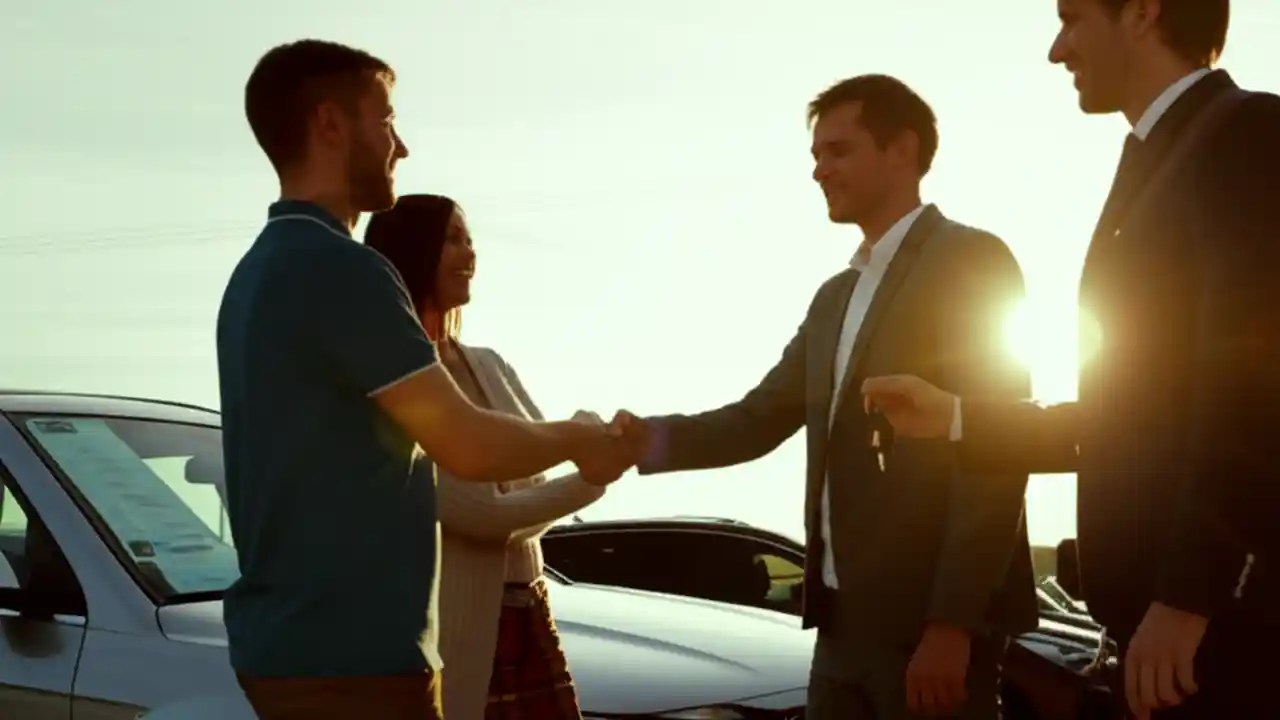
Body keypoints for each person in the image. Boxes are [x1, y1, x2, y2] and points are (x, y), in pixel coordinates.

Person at [860, 1, 1280, 717]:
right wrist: (959, 417)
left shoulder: (1248, 134)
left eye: (1073, 17)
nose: (1058, 49)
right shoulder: (1159, 152)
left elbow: (1255, 390)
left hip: (1215, 643)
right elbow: (1131, 419)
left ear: (1144, 12)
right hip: (1161, 638)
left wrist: (1188, 598)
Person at [216, 40, 628, 720]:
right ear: (330, 125)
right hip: (352, 664)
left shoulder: (256, 273)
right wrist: (582, 439)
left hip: (291, 651)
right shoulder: (341, 269)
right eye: (386, 121)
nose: (399, 146)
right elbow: (467, 446)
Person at [611, 74, 1035, 719]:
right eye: (815, 156)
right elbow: (756, 420)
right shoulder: (834, 296)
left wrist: (953, 627)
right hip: (838, 632)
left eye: (838, 151)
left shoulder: (970, 259)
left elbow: (999, 449)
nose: (819, 171)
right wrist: (644, 439)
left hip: (929, 631)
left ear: (902, 150)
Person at [364, 193, 613, 720]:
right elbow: (482, 515)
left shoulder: (489, 363)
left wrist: (579, 453)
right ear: (414, 251)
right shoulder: (397, 381)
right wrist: (590, 477)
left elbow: (531, 480)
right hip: (459, 633)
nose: (470, 253)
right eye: (453, 239)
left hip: (530, 613)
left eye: (469, 238)